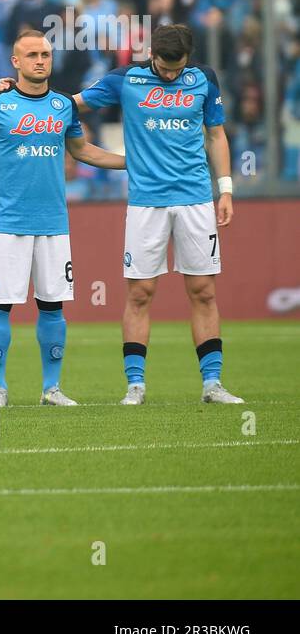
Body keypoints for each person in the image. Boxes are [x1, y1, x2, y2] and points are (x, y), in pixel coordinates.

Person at [0, 31, 126, 406]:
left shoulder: (63, 106)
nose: (40, 60)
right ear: (16, 62)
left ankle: (51, 389)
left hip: (54, 224)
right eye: (32, 55)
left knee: (53, 306)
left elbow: (84, 151)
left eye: (45, 54)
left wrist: (131, 162)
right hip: (8, 224)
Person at [76, 23, 243, 404]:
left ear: (188, 58)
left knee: (202, 291)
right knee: (140, 293)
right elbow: (74, 103)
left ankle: (212, 384)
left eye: (176, 69)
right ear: (151, 54)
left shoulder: (203, 79)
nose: (170, 75)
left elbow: (216, 135)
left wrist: (226, 189)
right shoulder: (125, 80)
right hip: (146, 203)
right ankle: (135, 385)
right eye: (164, 69)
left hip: (196, 200)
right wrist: (21, 97)